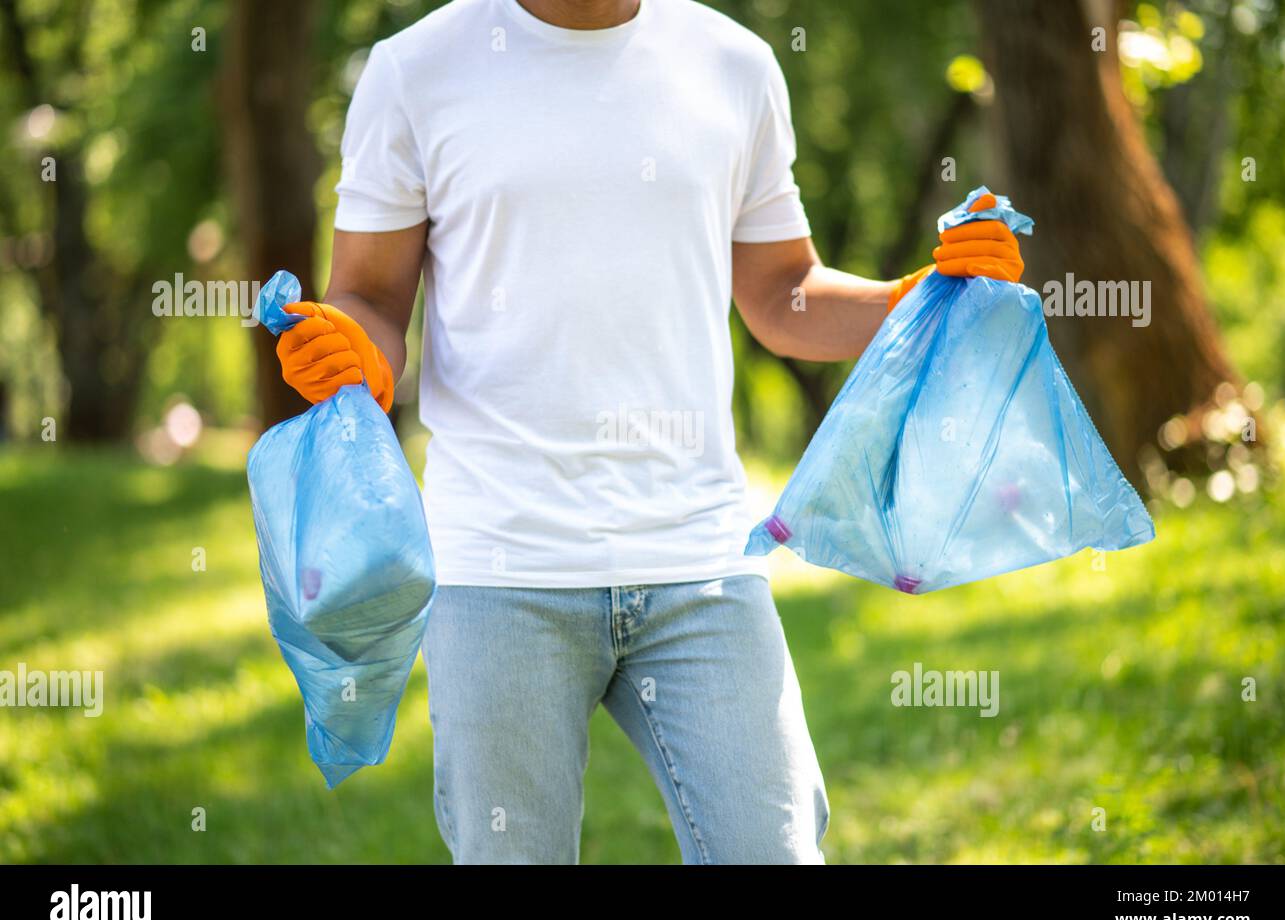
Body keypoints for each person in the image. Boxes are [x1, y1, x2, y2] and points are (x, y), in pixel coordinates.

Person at [274, 0, 1024, 864]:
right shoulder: (415, 70)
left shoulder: (732, 64)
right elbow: (370, 294)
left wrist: (918, 298)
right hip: (498, 567)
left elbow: (784, 292)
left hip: (699, 562)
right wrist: (354, 359)